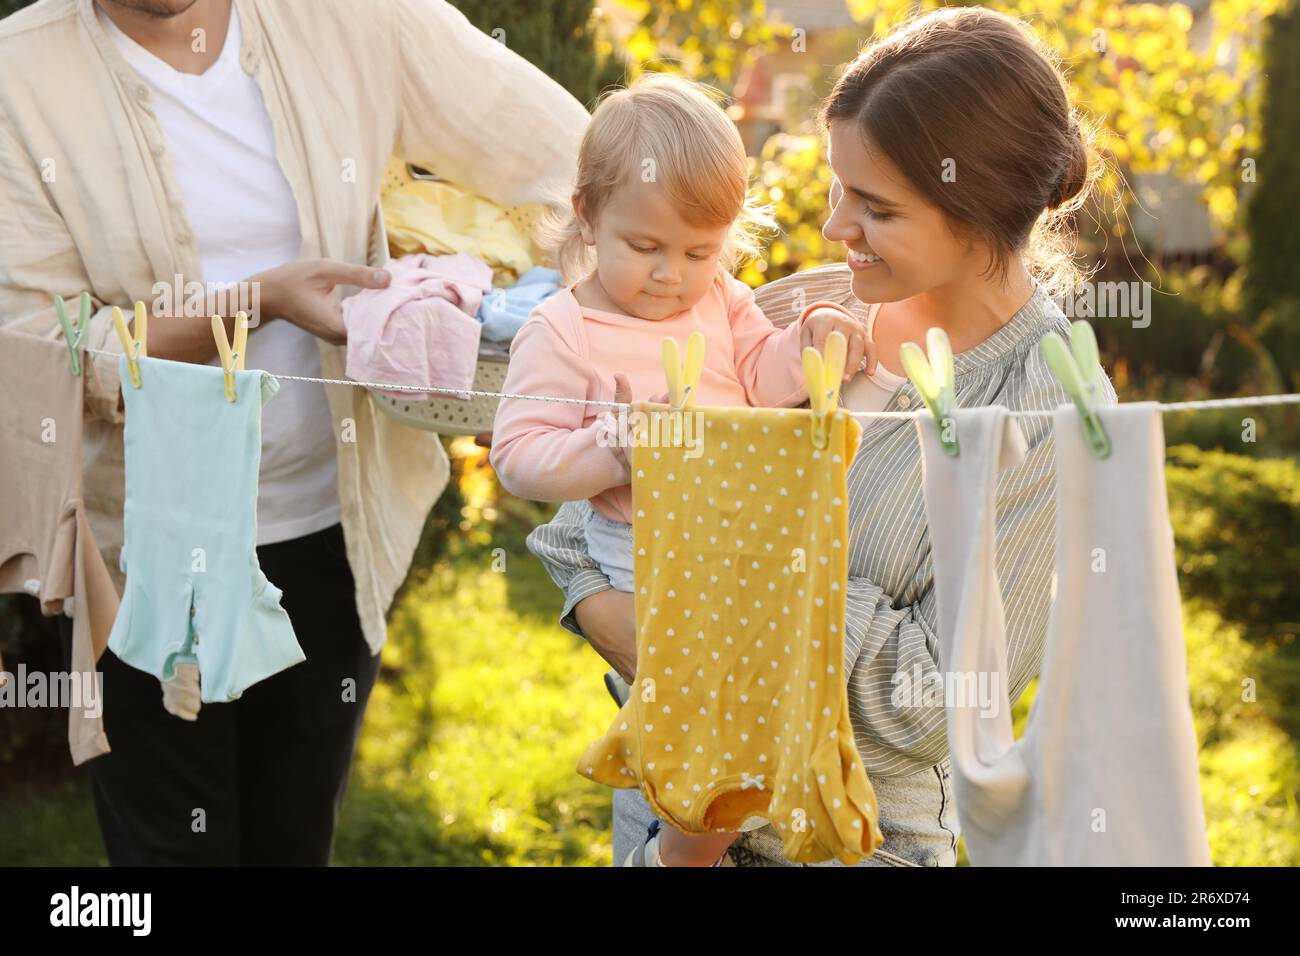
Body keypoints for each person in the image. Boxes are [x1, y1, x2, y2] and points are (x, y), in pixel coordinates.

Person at [523, 6, 1117, 866]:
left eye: (874, 206)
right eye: (840, 186)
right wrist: (618, 615)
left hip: (849, 845)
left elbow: (928, 700)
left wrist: (739, 596)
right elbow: (584, 520)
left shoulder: (1047, 407)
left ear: (975, 206)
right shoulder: (801, 309)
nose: (836, 226)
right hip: (666, 803)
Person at [0, 0, 589, 865]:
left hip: (331, 529)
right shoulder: (20, 76)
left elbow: (578, 162)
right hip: (140, 557)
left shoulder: (355, 18)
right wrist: (259, 301)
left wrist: (567, 312)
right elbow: (39, 348)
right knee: (170, 853)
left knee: (292, 841)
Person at [489, 72, 869, 867]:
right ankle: (680, 840)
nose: (671, 274)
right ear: (591, 215)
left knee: (753, 693)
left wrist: (810, 338)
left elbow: (764, 379)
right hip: (644, 552)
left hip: (739, 539)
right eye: (645, 248)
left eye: (700, 251)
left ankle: (719, 822)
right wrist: (609, 449)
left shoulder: (720, 299)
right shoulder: (564, 331)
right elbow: (518, 459)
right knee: (702, 709)